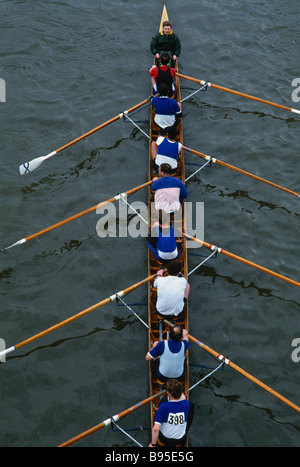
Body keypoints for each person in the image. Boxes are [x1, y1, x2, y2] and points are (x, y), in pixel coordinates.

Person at [149, 379, 194, 448]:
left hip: (164, 438)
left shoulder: (163, 406)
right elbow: (183, 397)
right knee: (192, 405)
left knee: (164, 400)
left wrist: (153, 444)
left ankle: (157, 417)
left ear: (169, 394)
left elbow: (155, 429)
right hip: (180, 439)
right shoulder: (187, 404)